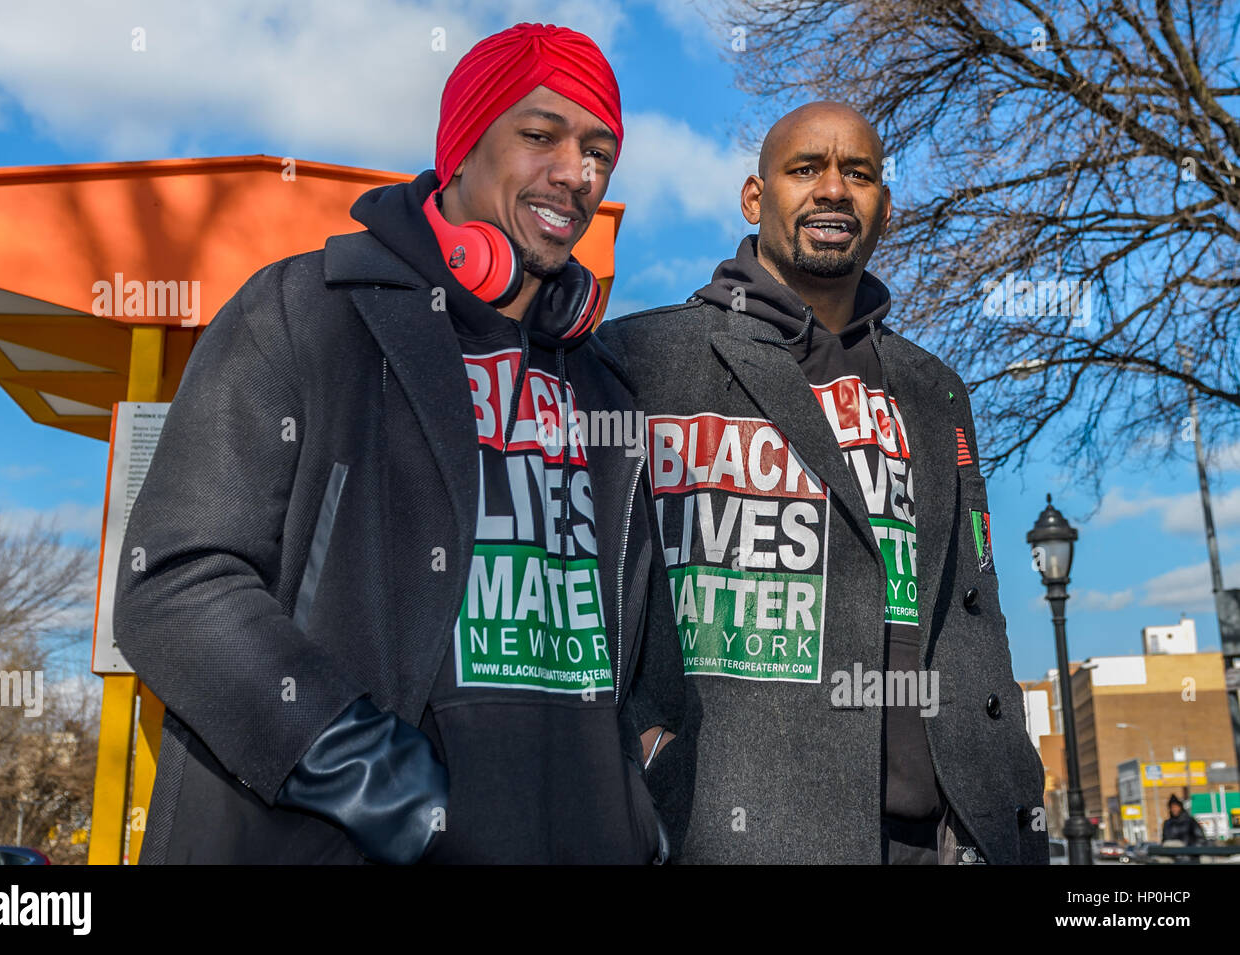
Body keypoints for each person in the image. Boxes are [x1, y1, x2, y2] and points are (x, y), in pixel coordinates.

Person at [114, 22, 685, 864]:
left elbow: (635, 656)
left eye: (600, 150)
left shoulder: (604, 386)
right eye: (540, 135)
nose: (578, 172)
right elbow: (172, 582)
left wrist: (635, 807)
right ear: (461, 146)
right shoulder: (306, 311)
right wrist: (377, 779)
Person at [597, 101, 1047, 864]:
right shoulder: (642, 359)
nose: (834, 189)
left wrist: (1012, 787)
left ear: (884, 209)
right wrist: (643, 751)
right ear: (755, 197)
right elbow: (595, 587)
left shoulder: (935, 389)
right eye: (806, 169)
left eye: (859, 174)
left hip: (944, 835)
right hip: (734, 827)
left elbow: (975, 608)